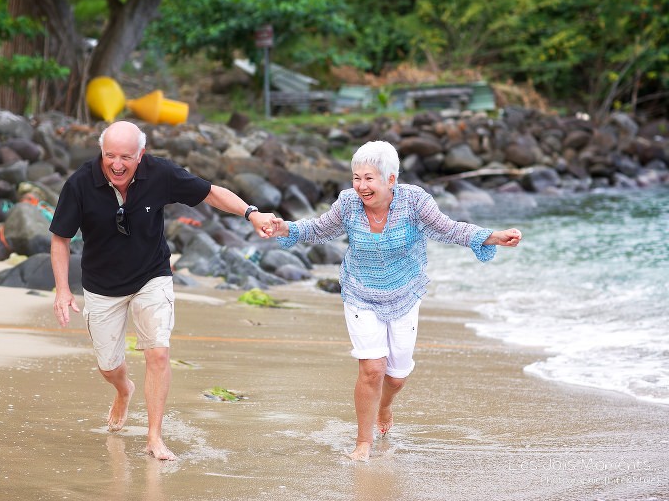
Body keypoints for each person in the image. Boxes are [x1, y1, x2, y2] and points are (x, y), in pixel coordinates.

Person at [270, 140, 522, 461]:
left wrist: (491, 236)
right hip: (360, 292)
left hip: (404, 293)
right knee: (372, 369)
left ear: (390, 180)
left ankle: (385, 406)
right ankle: (364, 443)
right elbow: (319, 229)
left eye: (369, 178)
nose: (361, 186)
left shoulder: (415, 202)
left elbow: (449, 229)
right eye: (356, 177)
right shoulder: (348, 204)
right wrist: (284, 229)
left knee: (396, 376)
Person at [49, 120, 277, 460]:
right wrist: (63, 290)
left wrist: (251, 213)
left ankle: (154, 437)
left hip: (151, 275)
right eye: (109, 155)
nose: (116, 164)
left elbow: (211, 192)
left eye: (125, 156)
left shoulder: (160, 173)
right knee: (109, 367)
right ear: (101, 152)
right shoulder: (80, 183)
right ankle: (124, 390)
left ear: (141, 154)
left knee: (158, 352)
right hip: (101, 284)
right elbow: (60, 239)